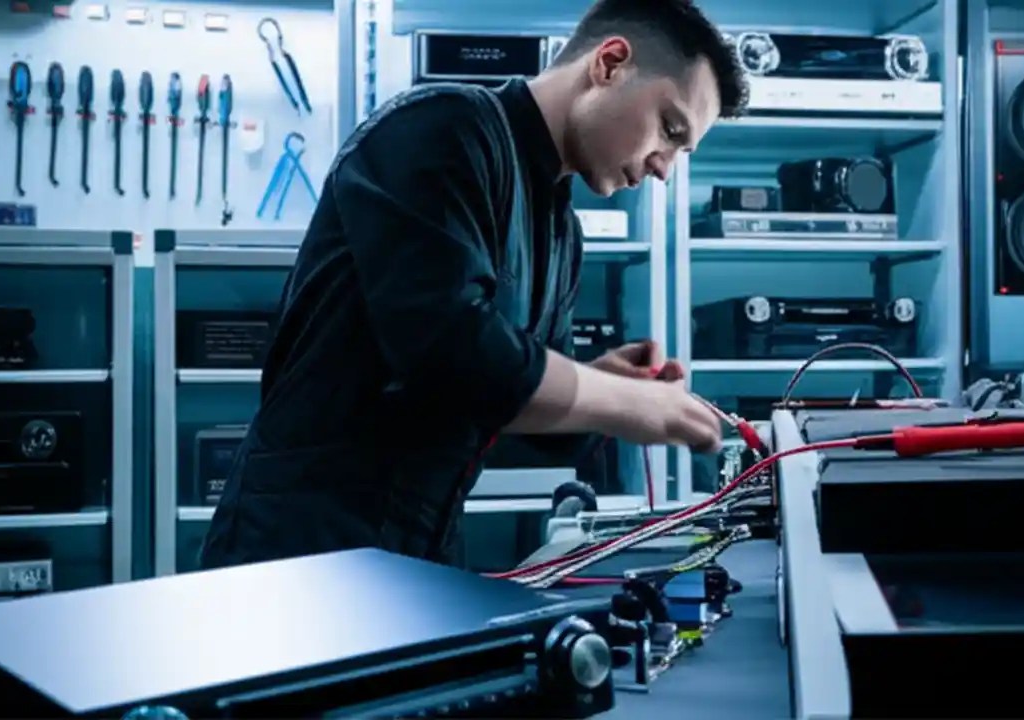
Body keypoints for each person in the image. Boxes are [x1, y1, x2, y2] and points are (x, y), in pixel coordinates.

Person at [198, 0, 749, 571]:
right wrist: (623, 402)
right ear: (609, 64)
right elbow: (450, 352)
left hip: (421, 548)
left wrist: (599, 382)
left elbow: (511, 412)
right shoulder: (441, 130)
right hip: (301, 546)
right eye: (670, 128)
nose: (665, 167)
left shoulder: (561, 232)